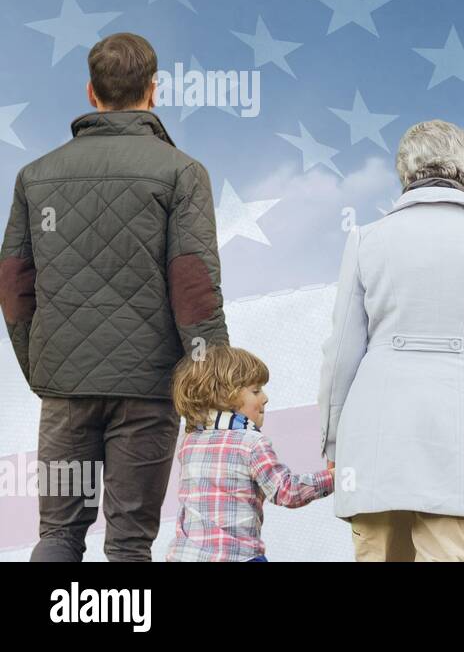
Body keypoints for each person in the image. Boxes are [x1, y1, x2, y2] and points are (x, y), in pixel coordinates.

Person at [0, 32, 228, 562]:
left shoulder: (35, 176)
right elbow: (193, 285)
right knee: (128, 543)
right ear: (154, 91)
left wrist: (41, 364)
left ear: (90, 92)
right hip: (148, 390)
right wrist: (214, 381)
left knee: (59, 535)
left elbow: (13, 283)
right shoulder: (182, 173)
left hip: (65, 386)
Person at [319, 120, 464, 562]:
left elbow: (342, 354)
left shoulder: (365, 240)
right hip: (463, 443)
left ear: (404, 172)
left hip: (376, 440)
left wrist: (333, 441)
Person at [167, 346, 333, 562]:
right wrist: (334, 478)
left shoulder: (190, 442)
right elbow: (286, 491)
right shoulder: (251, 443)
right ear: (225, 396)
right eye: (256, 391)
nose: (265, 398)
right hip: (237, 556)